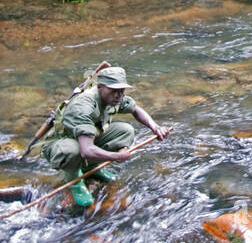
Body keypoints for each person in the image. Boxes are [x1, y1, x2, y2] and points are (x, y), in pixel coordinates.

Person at [42, 65, 167, 208]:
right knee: (72, 151)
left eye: (121, 90)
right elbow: (87, 151)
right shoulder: (83, 107)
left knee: (125, 130)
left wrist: (155, 127)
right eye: (114, 90)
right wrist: (116, 157)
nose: (118, 95)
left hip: (86, 138)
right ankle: (74, 180)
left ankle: (91, 169)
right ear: (100, 87)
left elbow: (135, 109)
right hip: (60, 145)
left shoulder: (115, 97)